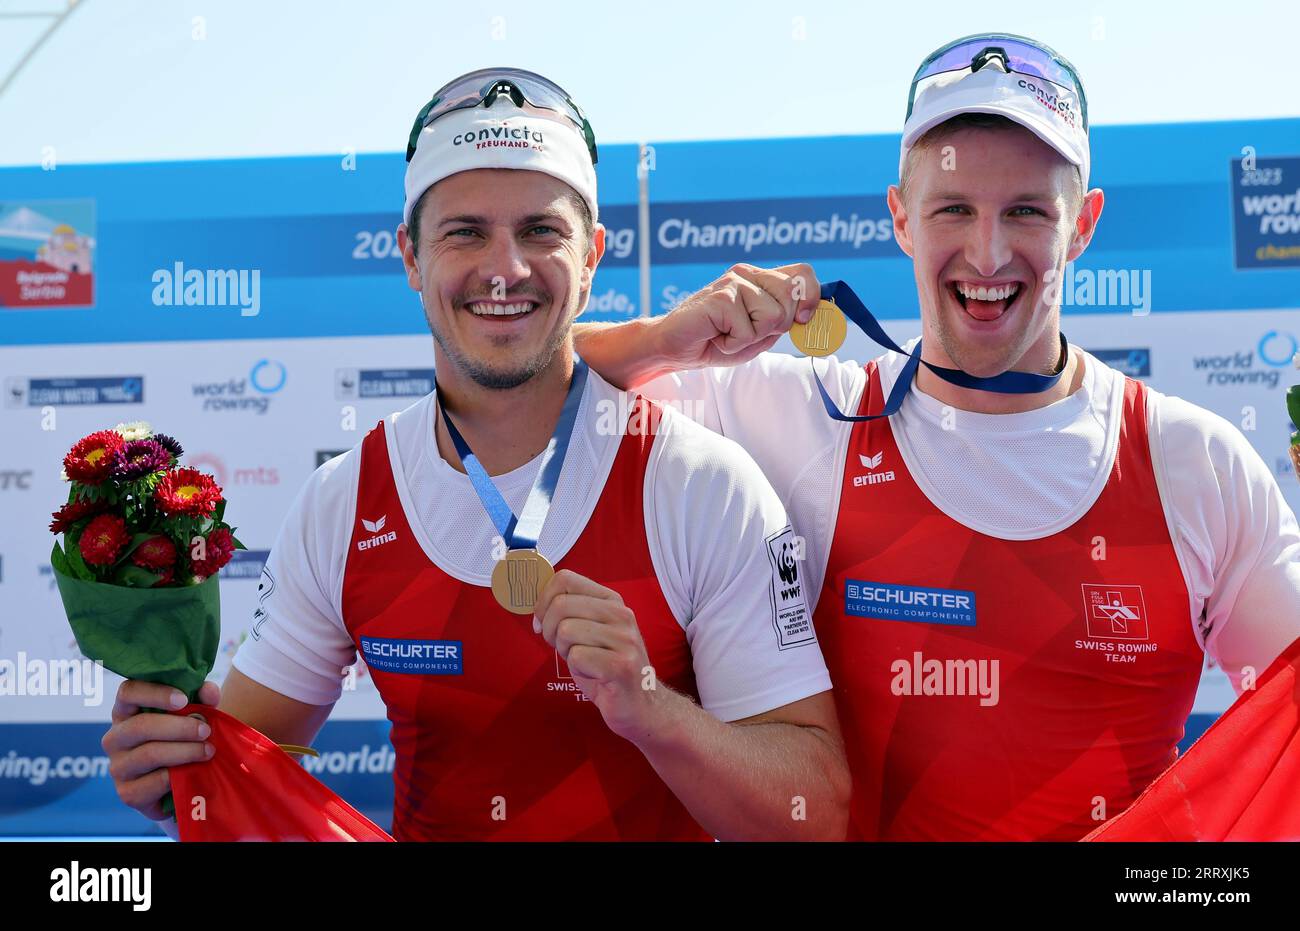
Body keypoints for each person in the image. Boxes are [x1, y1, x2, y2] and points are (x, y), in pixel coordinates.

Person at [573, 34, 1300, 840]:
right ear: (901, 219)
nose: (987, 253)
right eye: (954, 208)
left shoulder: (1193, 463)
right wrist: (663, 342)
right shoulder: (802, 416)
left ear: (1084, 224)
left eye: (1027, 210)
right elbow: (528, 397)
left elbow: (1290, 715)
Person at [102, 67, 849, 842]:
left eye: (540, 231)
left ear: (592, 257)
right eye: (465, 232)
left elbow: (814, 814)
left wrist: (650, 708)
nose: (505, 269)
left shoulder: (701, 484)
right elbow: (250, 755)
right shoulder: (345, 499)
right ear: (410, 258)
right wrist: (171, 767)